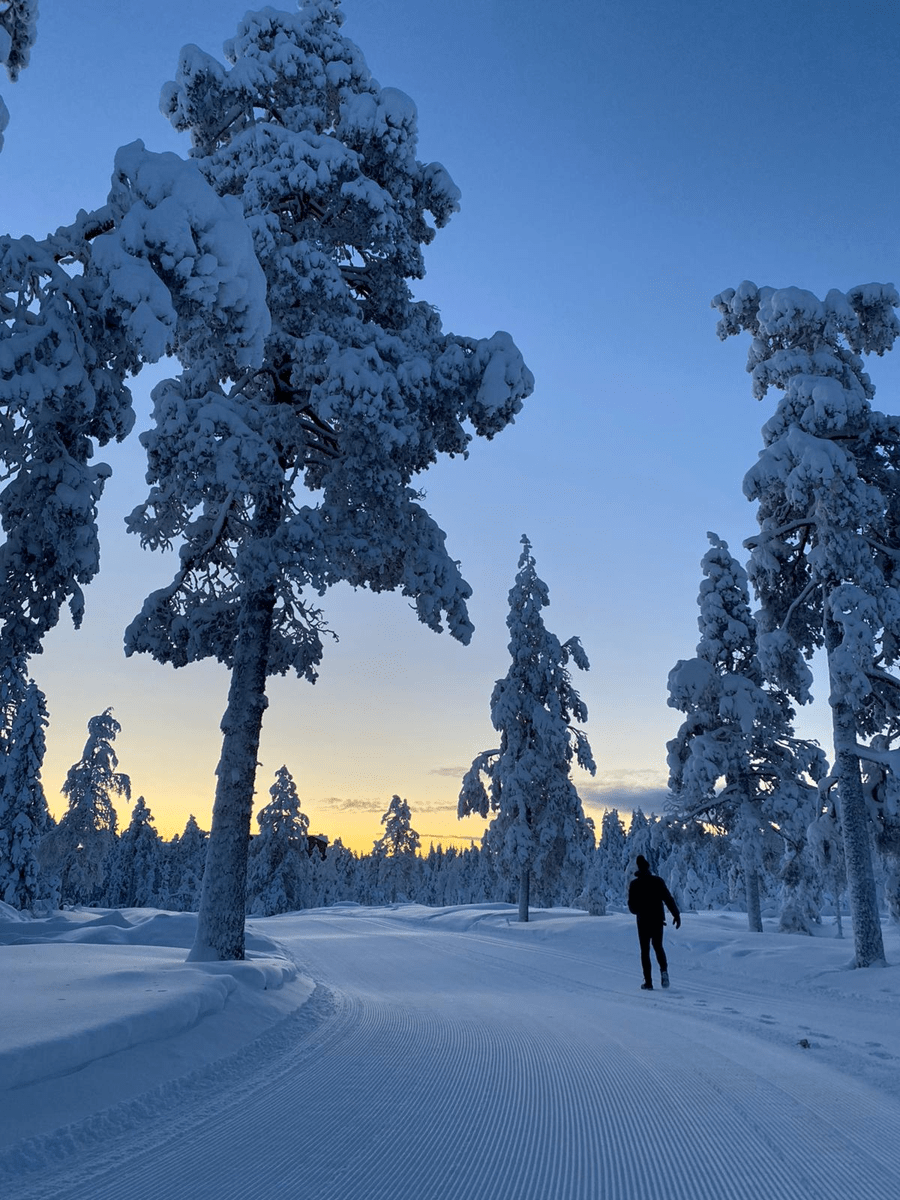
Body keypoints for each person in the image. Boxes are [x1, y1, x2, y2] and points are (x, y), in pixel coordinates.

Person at [627, 854, 680, 990]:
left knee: (645, 951)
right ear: (648, 867)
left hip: (643, 921)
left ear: (639, 868)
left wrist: (639, 909)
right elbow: (668, 898)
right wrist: (676, 914)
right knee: (658, 947)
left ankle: (648, 982)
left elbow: (632, 908)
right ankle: (664, 971)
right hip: (657, 920)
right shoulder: (658, 881)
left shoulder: (634, 885)